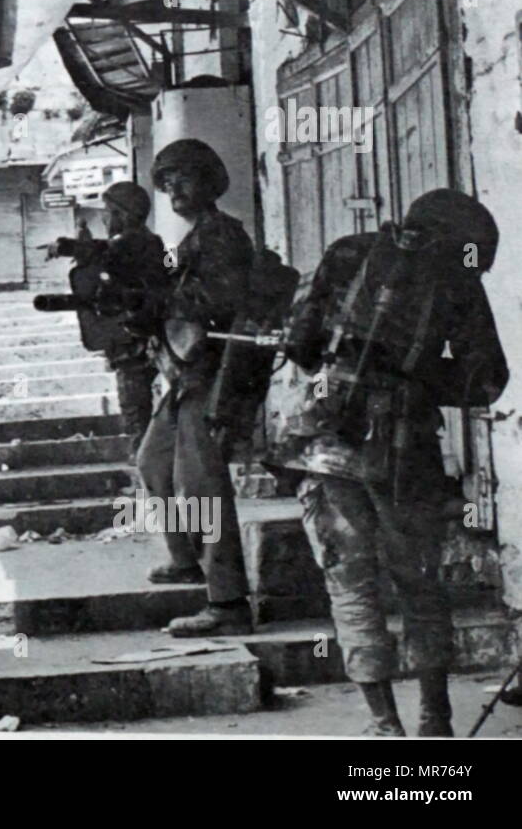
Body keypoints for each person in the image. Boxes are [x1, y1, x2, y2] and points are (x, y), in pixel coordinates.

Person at [276, 188, 508, 736]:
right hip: (408, 455)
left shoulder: (347, 252)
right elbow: (488, 380)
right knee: (421, 586)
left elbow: (301, 341)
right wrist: (418, 383)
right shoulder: (457, 281)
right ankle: (436, 720)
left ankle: (384, 726)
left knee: (351, 585)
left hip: (328, 446)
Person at [137, 138, 255, 637]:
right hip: (185, 373)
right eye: (166, 183)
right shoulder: (191, 239)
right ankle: (187, 558)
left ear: (210, 182)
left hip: (215, 373)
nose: (173, 190)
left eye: (183, 178)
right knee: (152, 462)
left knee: (202, 484)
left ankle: (228, 604)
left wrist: (164, 297)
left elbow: (223, 299)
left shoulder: (222, 234)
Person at [45, 183, 166, 460]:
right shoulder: (151, 241)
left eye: (109, 212)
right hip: (146, 338)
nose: (105, 219)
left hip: (133, 342)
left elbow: (105, 252)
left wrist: (68, 246)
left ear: (124, 214)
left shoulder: (130, 243)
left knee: (136, 417)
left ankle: (148, 480)